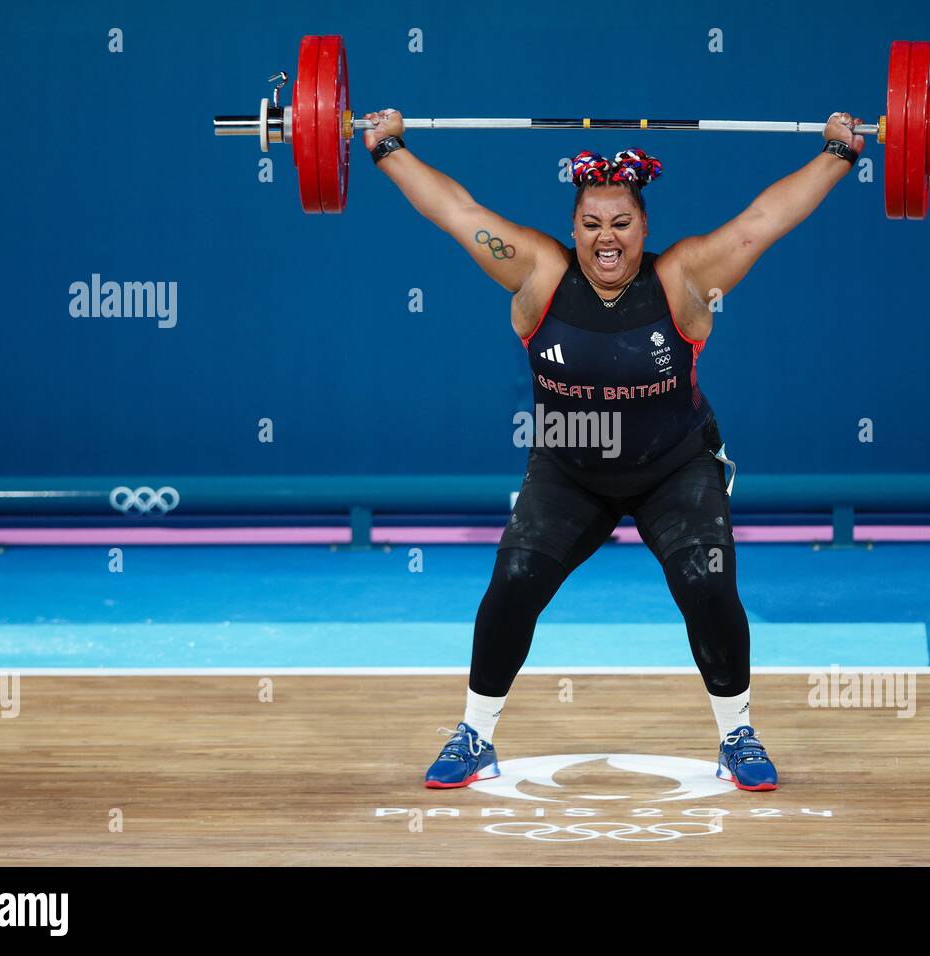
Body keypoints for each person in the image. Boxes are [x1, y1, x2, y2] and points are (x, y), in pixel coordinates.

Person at [361, 108, 865, 791]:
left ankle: (736, 733)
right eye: (593, 223)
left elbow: (762, 222)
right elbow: (456, 212)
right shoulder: (537, 272)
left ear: (643, 229)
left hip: (675, 467)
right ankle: (474, 733)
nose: (607, 238)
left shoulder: (684, 277)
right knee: (513, 581)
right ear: (574, 230)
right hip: (568, 468)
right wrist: (389, 147)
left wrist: (837, 153)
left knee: (707, 582)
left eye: (621, 224)